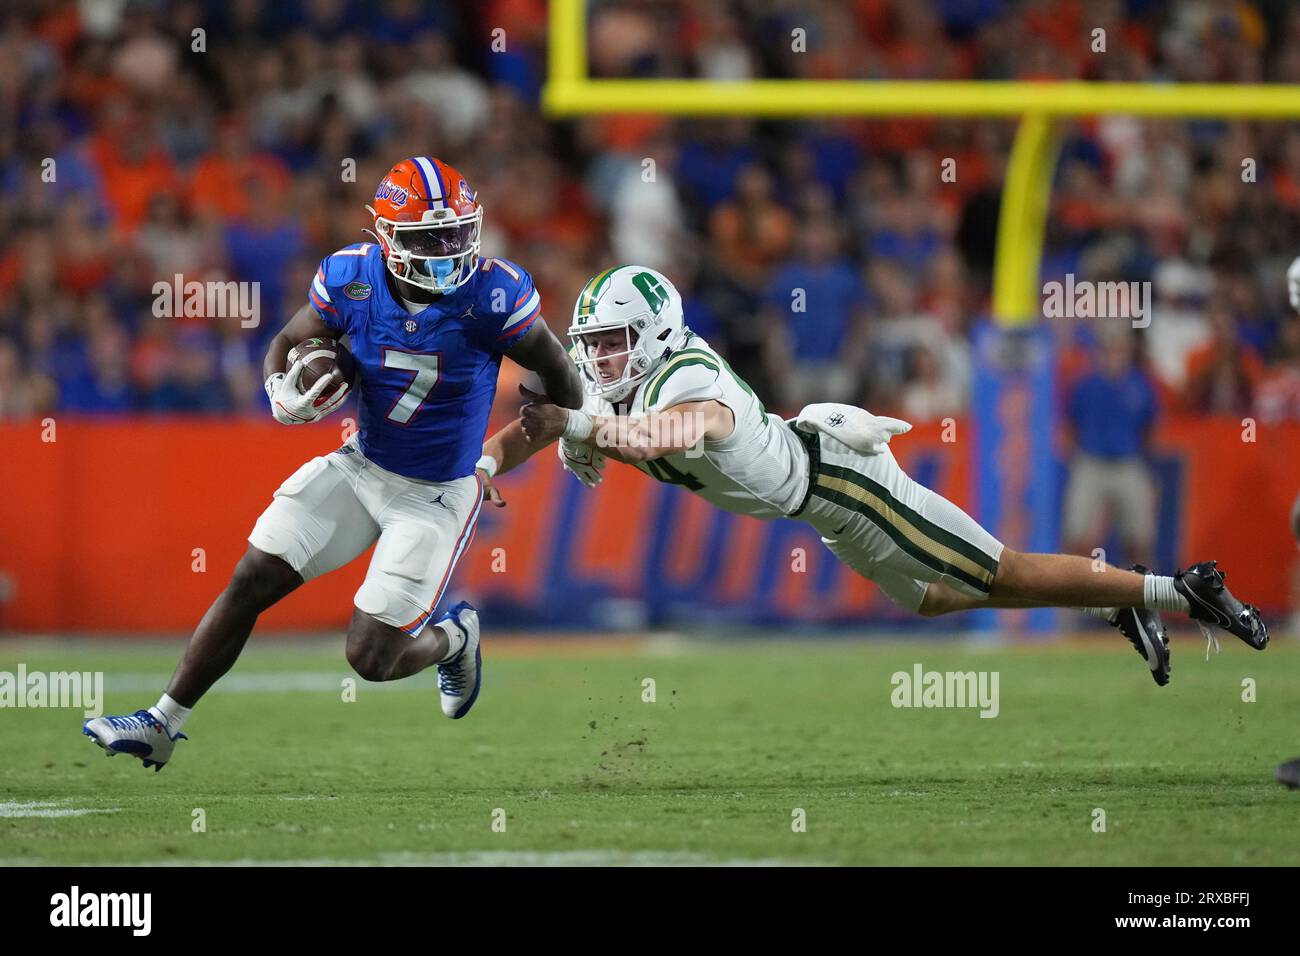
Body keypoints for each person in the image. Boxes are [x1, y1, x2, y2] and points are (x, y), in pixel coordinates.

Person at [480, 265, 1268, 691]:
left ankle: (1179, 590)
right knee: (936, 598)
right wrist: (486, 463)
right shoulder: (611, 388)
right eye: (593, 343)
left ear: (653, 336)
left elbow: (676, 430)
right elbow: (534, 421)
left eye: (614, 342)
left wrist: (582, 427)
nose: (598, 359)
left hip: (843, 481)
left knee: (1002, 572)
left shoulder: (687, 379)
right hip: (818, 503)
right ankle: (1114, 594)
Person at [83, 157, 583, 770]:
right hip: (361, 466)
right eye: (430, 239)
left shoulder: (495, 293)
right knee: (251, 578)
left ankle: (456, 639)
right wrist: (279, 392)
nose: (449, 250)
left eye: (456, 233)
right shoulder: (350, 277)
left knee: (370, 657)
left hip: (434, 493)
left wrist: (530, 444)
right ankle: (162, 722)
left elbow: (561, 380)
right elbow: (284, 343)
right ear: (388, 237)